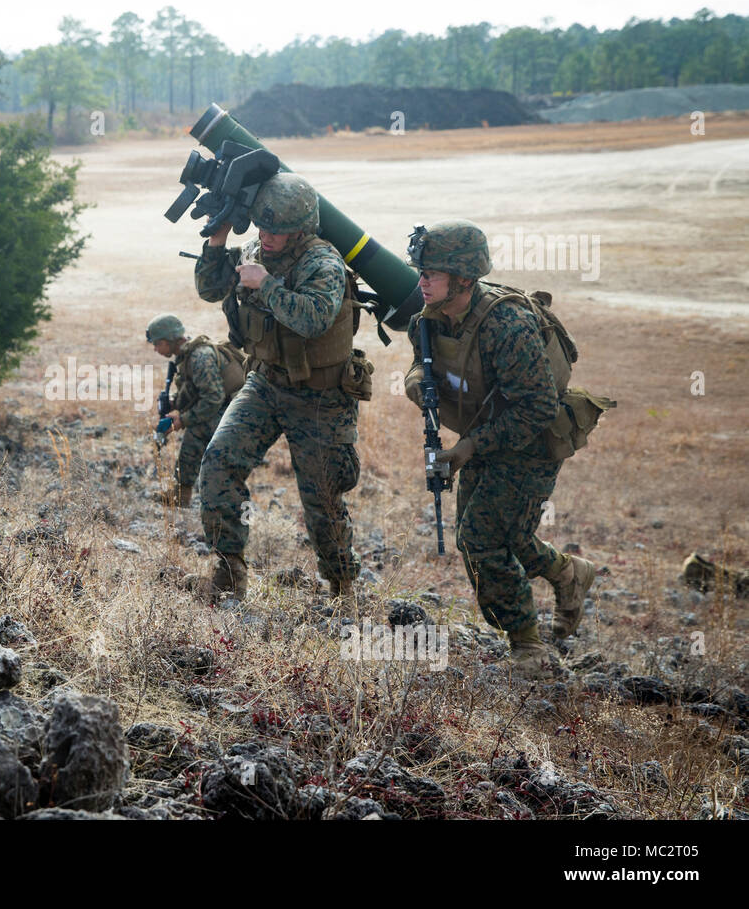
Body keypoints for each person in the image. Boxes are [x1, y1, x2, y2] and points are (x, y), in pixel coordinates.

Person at [403, 220, 596, 678]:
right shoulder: (428, 319)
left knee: (481, 540)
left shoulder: (507, 326)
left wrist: (469, 446)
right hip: (486, 437)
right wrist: (416, 381)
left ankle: (527, 645)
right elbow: (420, 360)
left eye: (432, 273)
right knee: (500, 539)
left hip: (533, 444)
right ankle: (570, 573)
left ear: (464, 280)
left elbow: (535, 409)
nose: (421, 281)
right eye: (421, 271)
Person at [193, 173, 366, 603]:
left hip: (322, 397)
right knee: (217, 462)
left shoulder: (322, 263)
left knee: (322, 500)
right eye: (261, 227)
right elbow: (210, 288)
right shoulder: (255, 250)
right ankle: (229, 569)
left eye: (276, 230)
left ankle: (343, 589)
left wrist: (265, 285)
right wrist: (217, 241)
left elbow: (313, 319)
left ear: (301, 228)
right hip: (265, 383)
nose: (266, 237)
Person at [146, 314, 239, 507]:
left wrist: (183, 420)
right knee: (195, 431)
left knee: (197, 432)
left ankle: (185, 495)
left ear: (167, 341)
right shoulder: (186, 357)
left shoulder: (200, 357)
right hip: (223, 409)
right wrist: (174, 405)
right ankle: (181, 493)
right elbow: (196, 392)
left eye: (157, 344)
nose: (155, 349)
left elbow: (213, 399)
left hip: (235, 413)